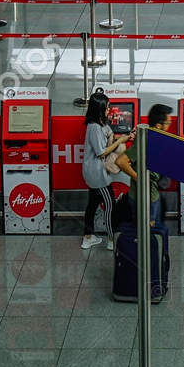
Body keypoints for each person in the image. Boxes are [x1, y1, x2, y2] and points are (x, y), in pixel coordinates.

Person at [81, 92, 130, 250]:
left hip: (93, 171)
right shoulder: (95, 127)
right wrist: (121, 141)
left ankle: (88, 238)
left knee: (92, 204)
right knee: (110, 206)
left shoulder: (101, 124)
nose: (109, 110)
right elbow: (101, 152)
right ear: (99, 109)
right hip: (97, 173)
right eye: (107, 107)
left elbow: (109, 137)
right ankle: (112, 240)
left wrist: (122, 137)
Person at [139, 103, 174, 228]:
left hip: (156, 192)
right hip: (153, 194)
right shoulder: (155, 143)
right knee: (154, 225)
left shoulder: (151, 137)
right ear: (159, 125)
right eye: (168, 123)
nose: (169, 126)